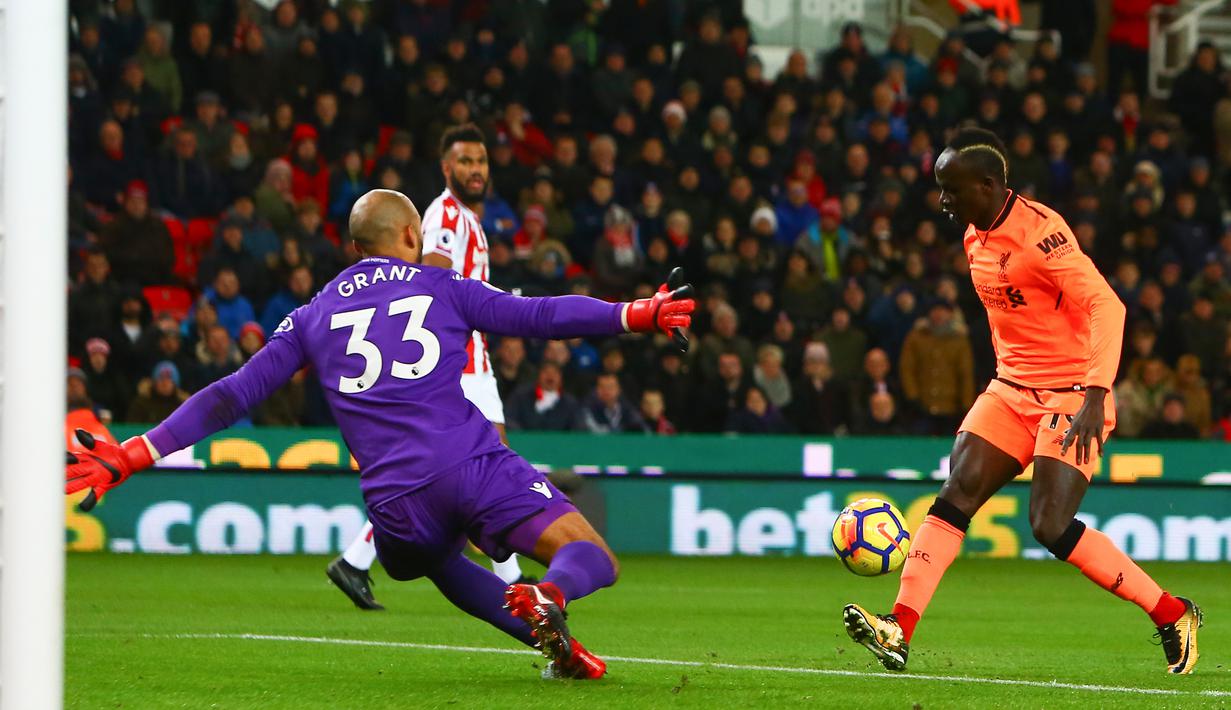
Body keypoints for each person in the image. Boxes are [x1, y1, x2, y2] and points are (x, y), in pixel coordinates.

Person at [65, 188, 695, 679]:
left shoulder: (311, 315)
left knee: (439, 562)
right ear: (412, 235)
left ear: (355, 247)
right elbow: (537, 316)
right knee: (591, 557)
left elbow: (234, 394)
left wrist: (135, 451)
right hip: (473, 463)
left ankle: (558, 646)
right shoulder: (439, 284)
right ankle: (551, 593)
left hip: (397, 507)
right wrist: (635, 313)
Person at [842, 128, 1201, 675]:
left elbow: (1109, 307)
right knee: (955, 491)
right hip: (1010, 389)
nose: (943, 200)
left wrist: (1094, 394)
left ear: (988, 185)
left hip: (1073, 392)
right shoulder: (973, 234)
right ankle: (898, 628)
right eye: (941, 189)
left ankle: (1172, 612)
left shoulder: (1042, 235)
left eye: (952, 189)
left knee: (1050, 525)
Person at [326, 124, 524, 608]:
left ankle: (354, 561)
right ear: (446, 167)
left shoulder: (467, 218)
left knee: (462, 467)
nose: (475, 170)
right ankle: (519, 585)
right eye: (465, 161)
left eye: (481, 161)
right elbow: (432, 281)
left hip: (474, 360)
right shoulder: (446, 217)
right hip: (458, 363)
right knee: (488, 462)